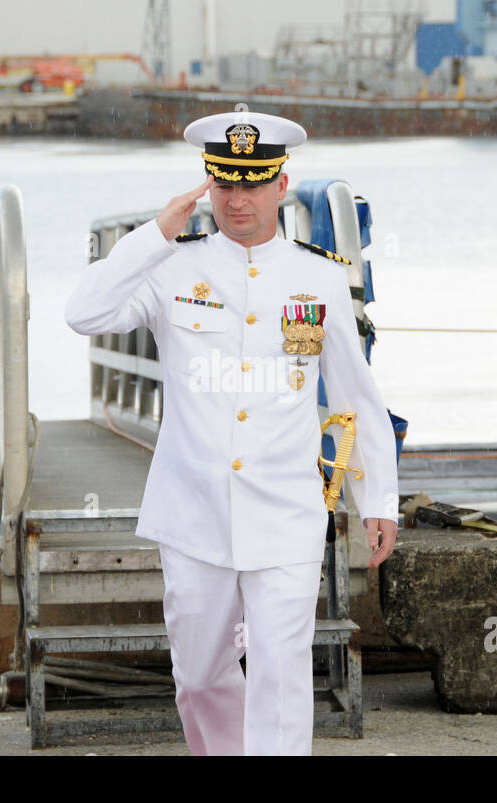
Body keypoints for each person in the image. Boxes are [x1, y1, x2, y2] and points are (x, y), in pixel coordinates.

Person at [65, 108, 398, 755]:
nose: (237, 199)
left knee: (281, 674)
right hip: (194, 514)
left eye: (252, 183)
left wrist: (378, 499)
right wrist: (154, 234)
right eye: (225, 184)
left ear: (281, 185)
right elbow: (83, 312)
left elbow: (359, 396)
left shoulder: (320, 277)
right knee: (198, 675)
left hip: (286, 513)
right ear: (207, 186)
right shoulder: (170, 269)